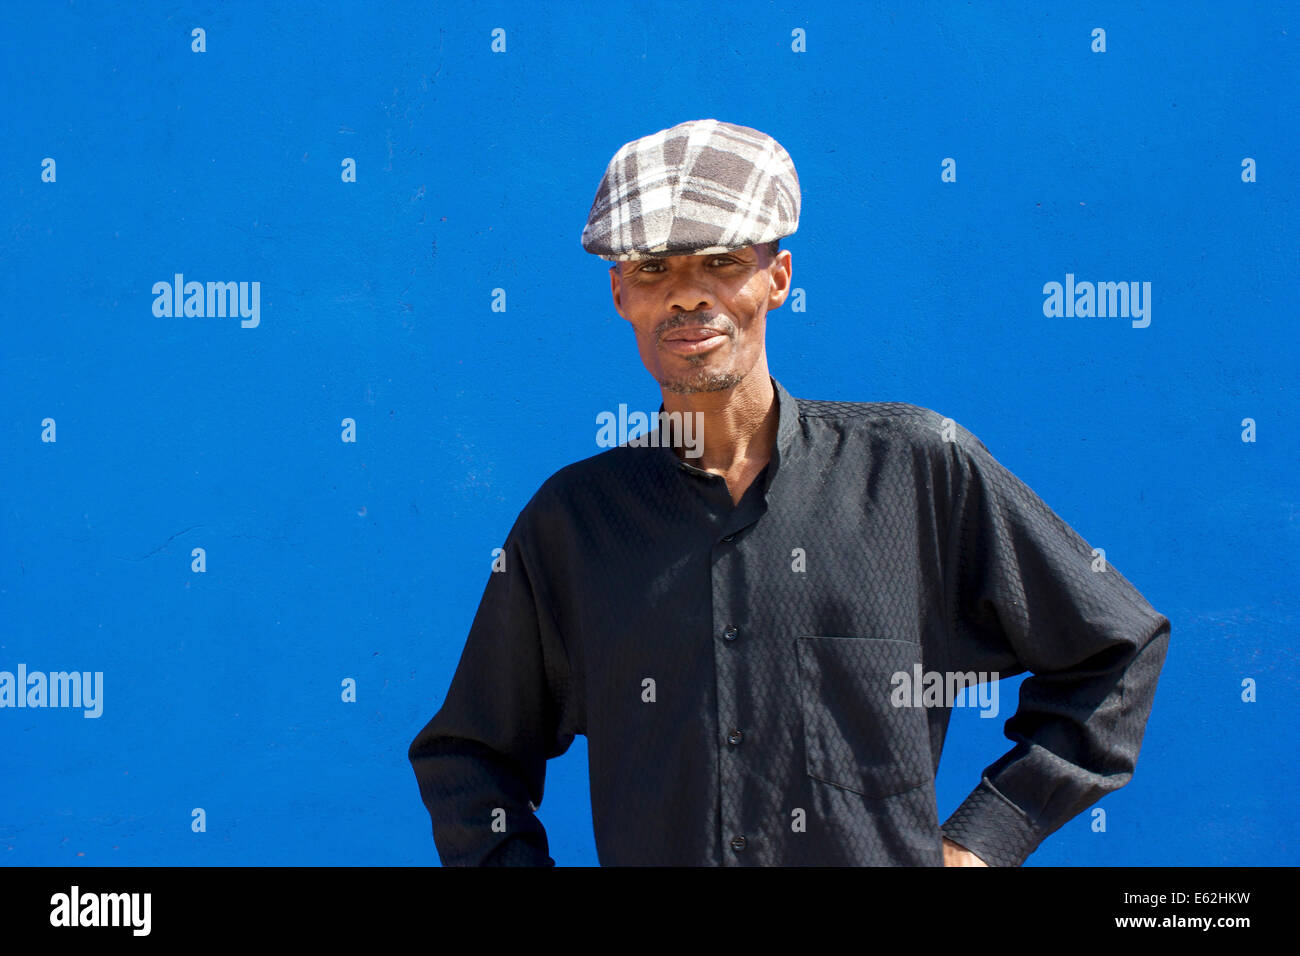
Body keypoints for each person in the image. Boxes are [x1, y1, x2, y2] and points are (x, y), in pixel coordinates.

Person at [407, 118, 1171, 866]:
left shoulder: (916, 471)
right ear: (619, 294)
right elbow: (467, 759)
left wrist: (983, 841)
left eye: (720, 261)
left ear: (777, 279)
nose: (685, 296)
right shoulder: (574, 522)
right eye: (652, 270)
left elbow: (1118, 648)